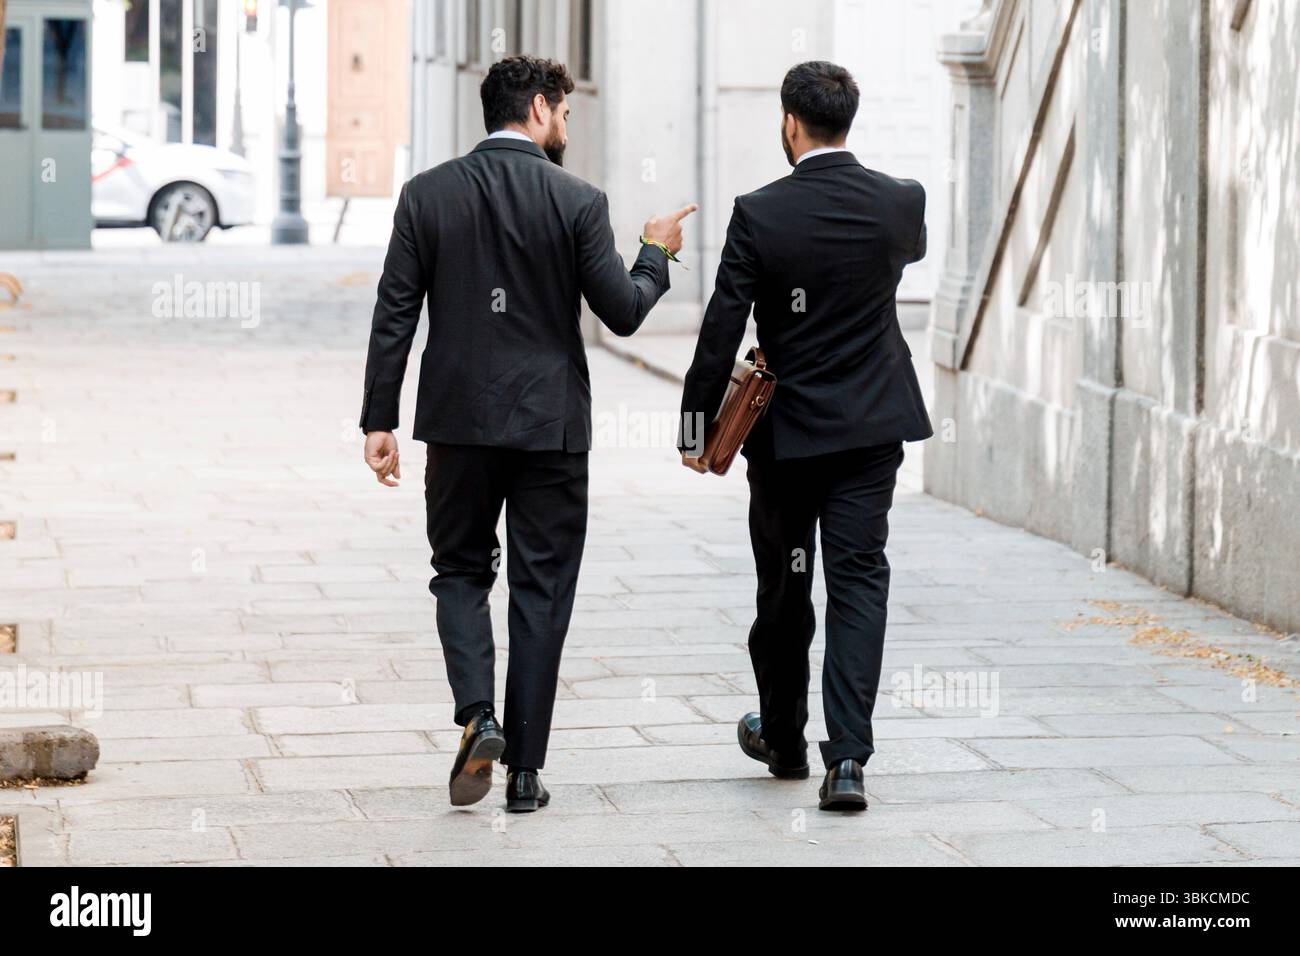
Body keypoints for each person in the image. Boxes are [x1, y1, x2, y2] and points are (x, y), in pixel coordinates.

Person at [360, 55, 695, 812]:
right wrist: (657, 250)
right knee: (541, 591)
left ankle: (479, 716)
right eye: (566, 114)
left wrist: (379, 419)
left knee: (460, 572)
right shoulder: (576, 199)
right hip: (550, 427)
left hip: (457, 425)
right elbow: (624, 310)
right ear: (540, 108)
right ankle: (524, 774)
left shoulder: (426, 195)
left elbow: (394, 314)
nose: (567, 127)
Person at [679, 60, 931, 811]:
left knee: (785, 588)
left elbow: (722, 326)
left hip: (787, 441)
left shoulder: (759, 213)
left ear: (790, 123)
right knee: (859, 582)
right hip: (871, 430)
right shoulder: (901, 203)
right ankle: (847, 759)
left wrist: (697, 427)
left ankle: (784, 739)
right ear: (848, 119)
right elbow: (900, 260)